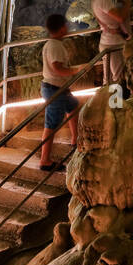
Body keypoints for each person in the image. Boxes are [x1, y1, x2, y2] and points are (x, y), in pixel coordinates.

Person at [39, 13, 80, 173]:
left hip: (59, 88)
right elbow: (57, 68)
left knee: (74, 106)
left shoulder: (52, 43)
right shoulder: (55, 46)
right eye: (66, 25)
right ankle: (45, 161)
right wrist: (75, 71)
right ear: (62, 27)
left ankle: (75, 138)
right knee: (51, 124)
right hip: (54, 89)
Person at [90, 0, 132, 86]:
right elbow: (120, 17)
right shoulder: (103, 0)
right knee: (117, 78)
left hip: (108, 42)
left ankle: (109, 103)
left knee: (108, 80)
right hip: (113, 44)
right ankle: (116, 104)